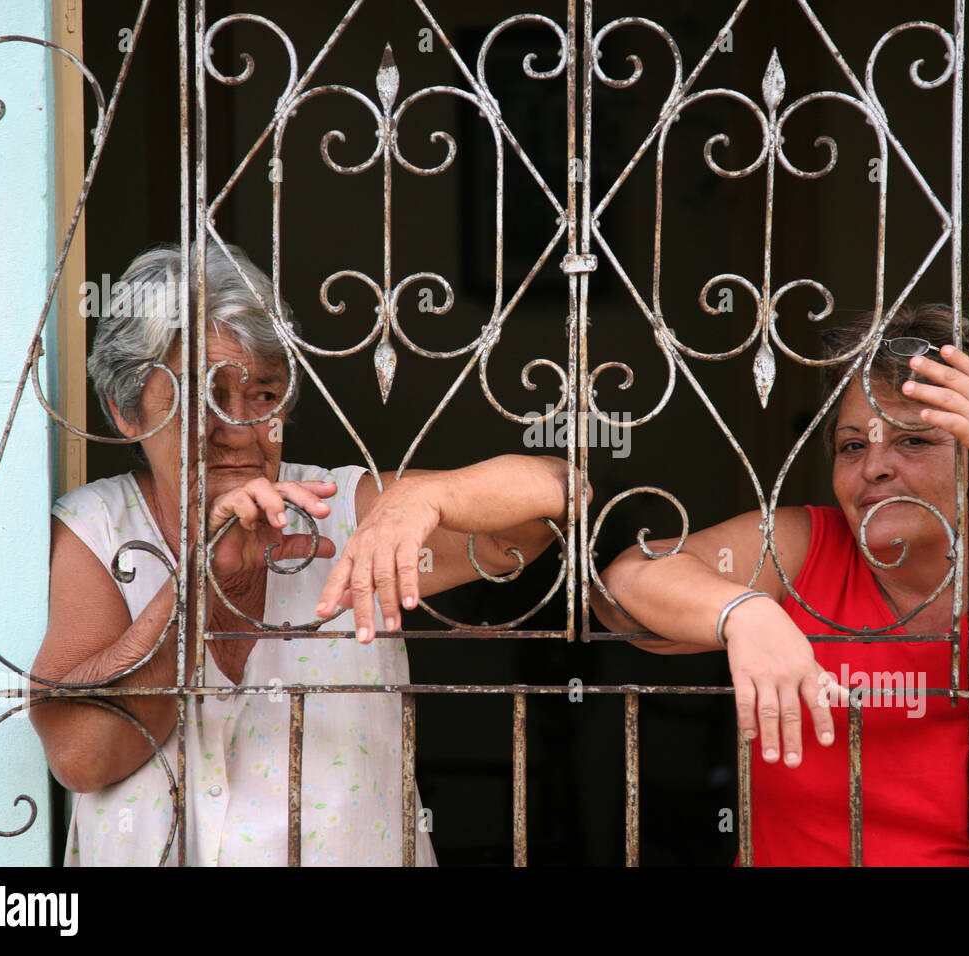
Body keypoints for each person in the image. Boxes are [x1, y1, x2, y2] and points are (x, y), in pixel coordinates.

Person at [31, 242, 568, 866]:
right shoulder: (96, 527)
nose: (237, 429)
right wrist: (204, 581)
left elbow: (553, 503)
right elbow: (84, 757)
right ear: (128, 410)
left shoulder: (337, 507)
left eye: (264, 395)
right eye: (202, 395)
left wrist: (423, 499)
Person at [591, 304, 969, 865]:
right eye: (853, 445)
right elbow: (622, 589)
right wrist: (744, 613)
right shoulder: (804, 550)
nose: (873, 467)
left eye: (912, 441)